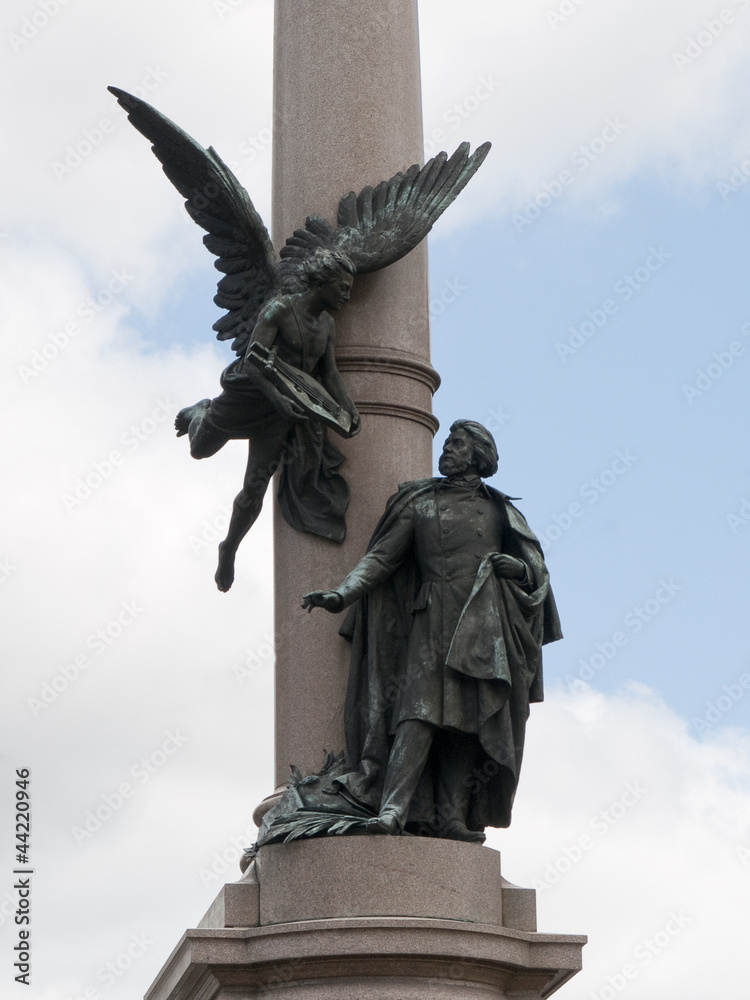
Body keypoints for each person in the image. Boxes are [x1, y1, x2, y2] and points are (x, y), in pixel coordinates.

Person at [302, 420, 561, 842]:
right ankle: (392, 809)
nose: (447, 450)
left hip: (482, 624)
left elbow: (536, 573)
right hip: (429, 620)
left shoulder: (501, 510)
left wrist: (517, 570)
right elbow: (382, 559)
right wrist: (342, 593)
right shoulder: (418, 502)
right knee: (416, 714)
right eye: (446, 443)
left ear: (478, 454)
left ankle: (451, 816)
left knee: (468, 720)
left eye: (457, 444)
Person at [176, 249, 361, 591]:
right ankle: (200, 412)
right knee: (199, 450)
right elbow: (252, 361)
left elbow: (330, 373)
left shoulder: (327, 324)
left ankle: (229, 546)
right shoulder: (279, 309)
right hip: (251, 395)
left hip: (281, 411)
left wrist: (347, 408)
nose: (347, 295)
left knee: (255, 486)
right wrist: (277, 400)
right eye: (343, 287)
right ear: (323, 282)